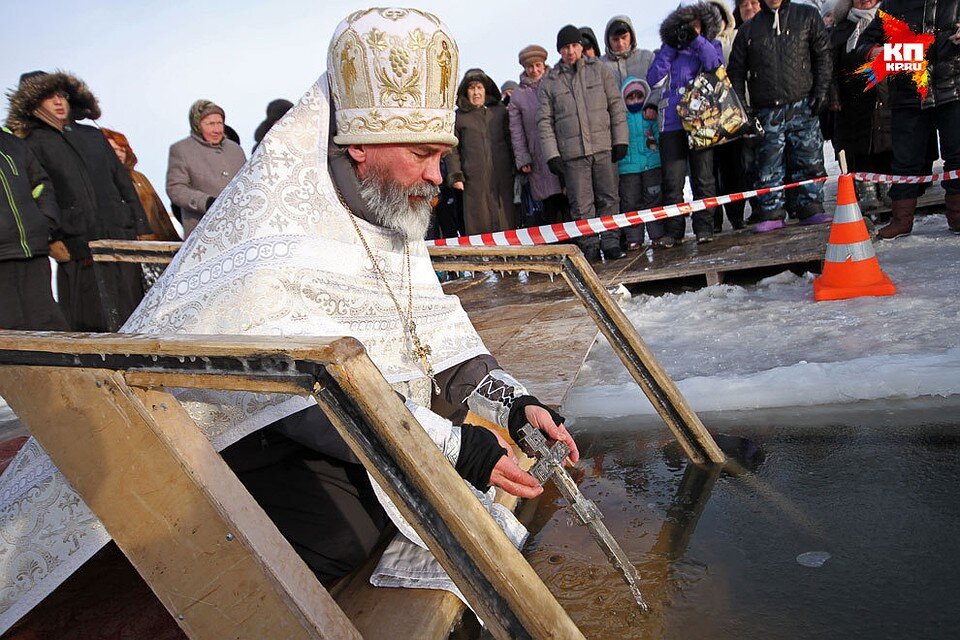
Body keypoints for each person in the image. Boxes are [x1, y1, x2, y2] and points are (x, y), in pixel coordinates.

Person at [0, 9, 582, 617]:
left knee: (395, 503)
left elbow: (428, 327)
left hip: (338, 414)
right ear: (359, 145)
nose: (438, 175)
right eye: (423, 153)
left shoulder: (388, 202)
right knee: (348, 527)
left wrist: (516, 405)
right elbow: (295, 387)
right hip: (236, 431)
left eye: (443, 154)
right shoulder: (275, 226)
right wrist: (454, 448)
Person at [5, 71, 152, 331]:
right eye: (49, 97)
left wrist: (141, 226)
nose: (59, 102)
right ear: (33, 102)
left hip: (119, 233)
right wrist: (52, 241)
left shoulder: (92, 135)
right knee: (90, 322)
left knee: (134, 314)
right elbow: (37, 193)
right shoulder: (28, 143)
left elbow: (122, 181)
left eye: (62, 95)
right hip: (76, 243)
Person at [857, 0, 960, 238]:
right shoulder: (893, 4)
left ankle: (957, 216)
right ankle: (901, 220)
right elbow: (862, 44)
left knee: (957, 156)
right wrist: (877, 52)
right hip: (908, 95)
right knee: (905, 162)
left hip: (952, 89)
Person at [728, 0, 833, 233]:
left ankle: (811, 207)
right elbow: (735, 72)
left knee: (809, 159)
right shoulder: (748, 30)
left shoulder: (807, 16)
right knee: (768, 165)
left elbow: (823, 55)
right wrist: (742, 108)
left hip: (804, 104)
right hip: (766, 110)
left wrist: (821, 91)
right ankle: (771, 212)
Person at [539, 24, 628, 261]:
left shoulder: (599, 70)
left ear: (581, 46)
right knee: (581, 205)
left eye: (574, 45)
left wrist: (620, 140)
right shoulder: (550, 81)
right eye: (565, 47)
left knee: (609, 198)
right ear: (560, 51)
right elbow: (544, 121)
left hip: (603, 147)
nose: (570, 51)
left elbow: (616, 106)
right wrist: (552, 154)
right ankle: (589, 246)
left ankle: (610, 243)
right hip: (572, 154)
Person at [647, 1, 725, 246]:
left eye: (694, 25)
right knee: (673, 181)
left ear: (703, 25)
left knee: (703, 178)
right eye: (684, 26)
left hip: (701, 120)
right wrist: (671, 46)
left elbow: (716, 65)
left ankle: (705, 226)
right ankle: (675, 230)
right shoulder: (667, 51)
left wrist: (696, 40)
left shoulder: (711, 45)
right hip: (672, 124)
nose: (689, 29)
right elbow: (654, 79)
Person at [0, 126, 68, 331]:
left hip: (33, 249)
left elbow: (41, 184)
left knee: (48, 325)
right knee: (9, 331)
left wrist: (44, 222)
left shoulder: (12, 142)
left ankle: (58, 363)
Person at [826, 0, 891, 213]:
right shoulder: (841, 29)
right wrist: (834, 98)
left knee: (886, 143)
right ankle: (866, 188)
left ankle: (890, 186)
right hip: (851, 99)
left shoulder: (888, 22)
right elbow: (831, 68)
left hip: (884, 95)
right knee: (859, 147)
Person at [447, 68, 518, 235]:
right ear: (466, 91)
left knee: (506, 218)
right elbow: (452, 149)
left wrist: (516, 165)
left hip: (503, 175)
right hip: (473, 179)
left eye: (479, 87)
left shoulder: (500, 111)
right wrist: (456, 175)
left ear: (486, 89)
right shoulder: (459, 117)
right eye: (472, 88)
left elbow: (511, 140)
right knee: (478, 220)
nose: (476, 92)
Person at [165, 99, 246, 238]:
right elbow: (176, 188)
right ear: (197, 125)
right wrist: (205, 202)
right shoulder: (181, 150)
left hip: (238, 229)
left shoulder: (235, 150)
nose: (217, 129)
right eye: (210, 124)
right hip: (203, 231)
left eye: (220, 123)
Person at [508, 44, 567, 225]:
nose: (534, 70)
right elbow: (516, 131)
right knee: (549, 203)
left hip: (563, 147)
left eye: (538, 65)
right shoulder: (518, 96)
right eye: (530, 67)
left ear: (544, 64)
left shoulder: (557, 82)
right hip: (538, 153)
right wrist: (523, 158)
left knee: (569, 198)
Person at [710, 0, 750, 231]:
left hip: (734, 110)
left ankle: (736, 215)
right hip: (708, 116)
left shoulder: (737, 36)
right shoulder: (698, 43)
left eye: (718, 16)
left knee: (735, 167)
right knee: (711, 171)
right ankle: (714, 220)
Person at [101, 128, 181, 241]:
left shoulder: (139, 178)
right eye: (114, 150)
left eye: (122, 150)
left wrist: (172, 239)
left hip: (151, 242)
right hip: (117, 244)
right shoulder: (98, 179)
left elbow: (160, 212)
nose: (119, 154)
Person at [617, 77, 662, 250]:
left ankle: (657, 234)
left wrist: (658, 150)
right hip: (628, 168)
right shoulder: (621, 118)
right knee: (630, 203)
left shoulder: (649, 115)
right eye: (630, 97)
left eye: (639, 96)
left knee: (654, 201)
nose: (635, 101)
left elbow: (658, 133)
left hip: (651, 164)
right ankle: (634, 238)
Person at [602, 16, 657, 91]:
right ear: (608, 40)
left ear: (631, 35)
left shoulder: (647, 57)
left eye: (624, 37)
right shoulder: (600, 66)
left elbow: (659, 88)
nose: (620, 43)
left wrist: (651, 102)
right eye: (615, 39)